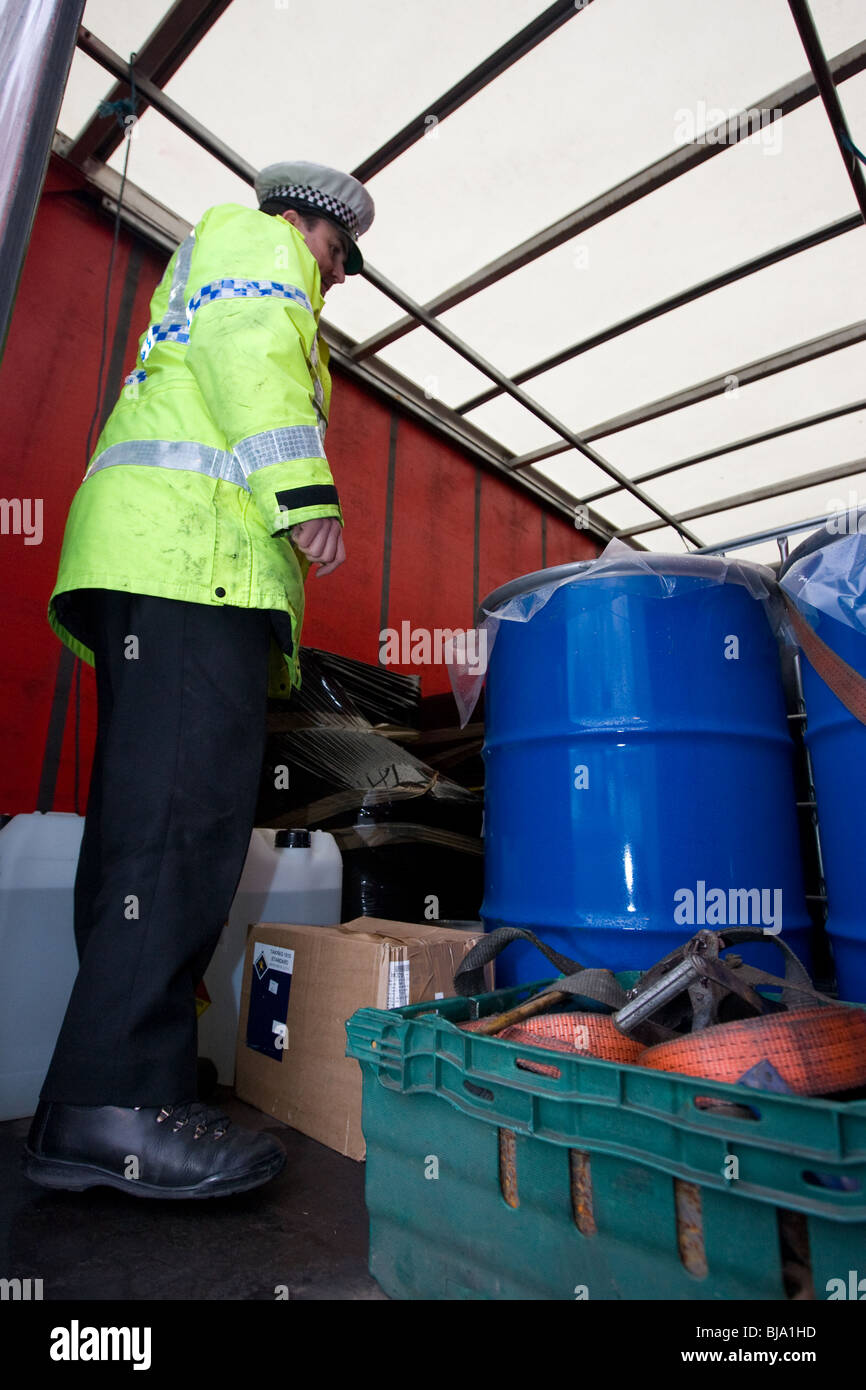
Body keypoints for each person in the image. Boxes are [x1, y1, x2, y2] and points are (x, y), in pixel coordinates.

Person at [23, 161, 374, 1199]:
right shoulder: (255, 241)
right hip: (192, 564)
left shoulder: (217, 257)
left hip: (159, 566)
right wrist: (303, 488)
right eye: (340, 253)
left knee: (146, 829)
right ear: (309, 221)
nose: (338, 276)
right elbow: (247, 350)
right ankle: (116, 1105)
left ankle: (115, 1088)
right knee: (181, 824)